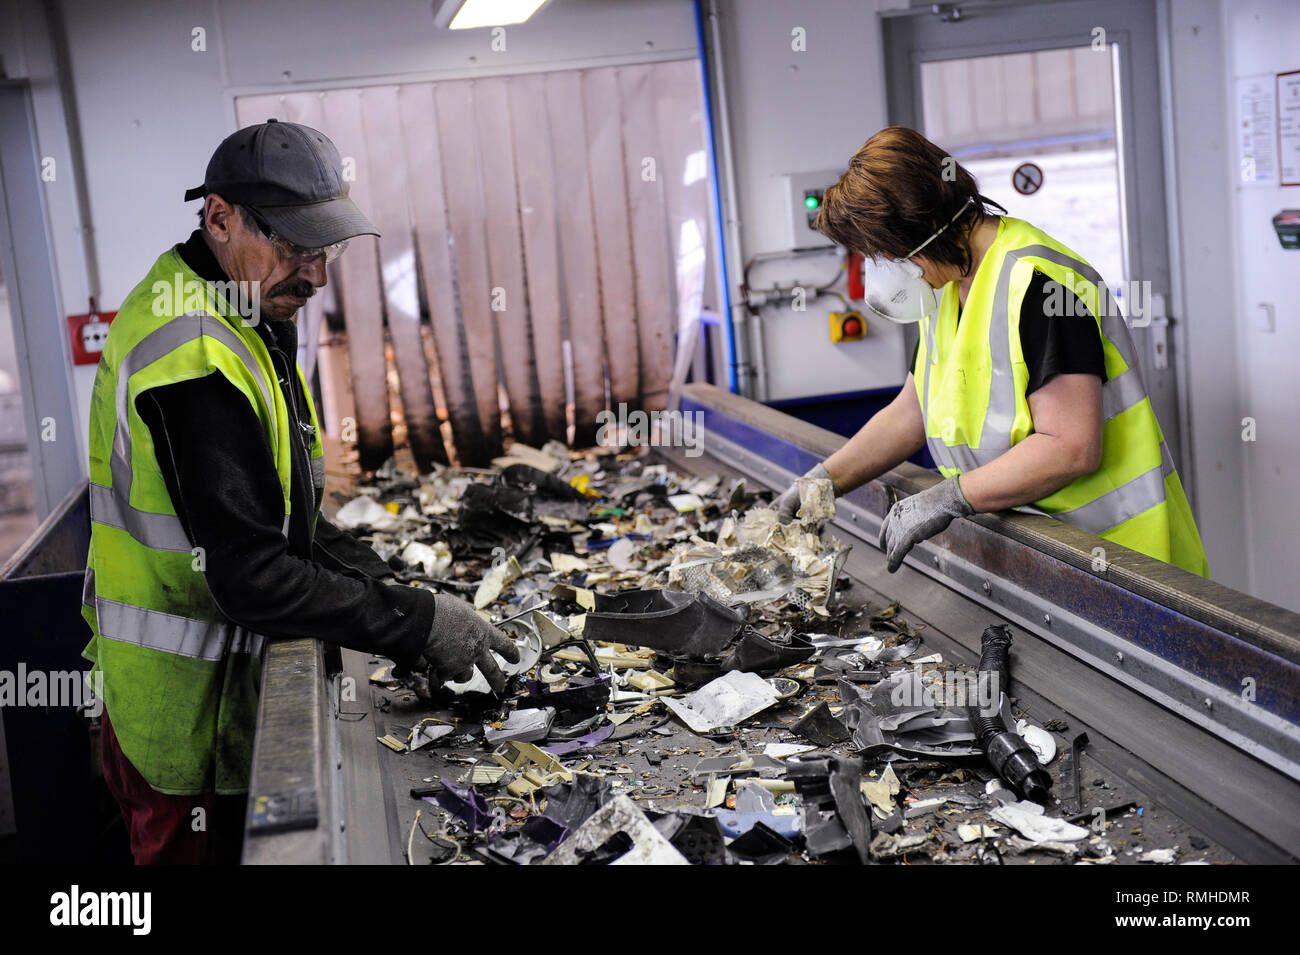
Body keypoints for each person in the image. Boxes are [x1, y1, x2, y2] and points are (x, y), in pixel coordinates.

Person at [79, 120, 518, 864]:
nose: (314, 276)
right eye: (292, 247)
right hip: (183, 719)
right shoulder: (192, 356)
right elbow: (254, 574)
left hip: (223, 701)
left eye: (325, 250)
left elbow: (292, 521)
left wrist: (399, 592)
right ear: (219, 218)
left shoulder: (246, 310)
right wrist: (411, 624)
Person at [773, 127, 1208, 578]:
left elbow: (1071, 447)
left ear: (920, 233)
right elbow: (912, 412)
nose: (882, 269)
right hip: (1043, 554)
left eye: (884, 253)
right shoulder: (945, 285)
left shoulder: (1038, 284)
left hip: (1119, 560)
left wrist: (949, 497)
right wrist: (821, 484)